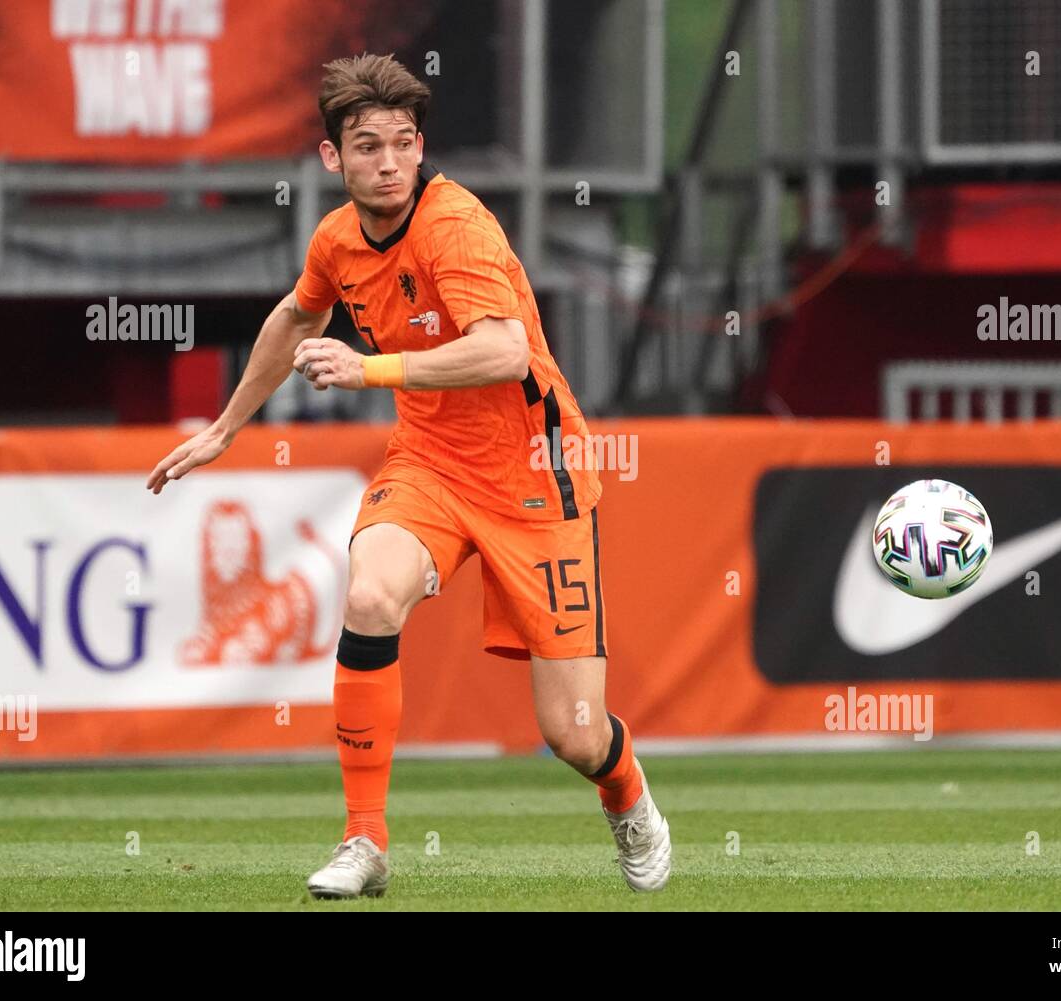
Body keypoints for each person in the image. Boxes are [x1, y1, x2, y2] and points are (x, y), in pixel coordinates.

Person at [146, 52, 671, 897]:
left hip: (539, 479)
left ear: (420, 147)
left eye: (400, 144)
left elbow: (503, 350)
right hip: (429, 463)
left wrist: (371, 370)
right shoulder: (338, 240)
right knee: (366, 596)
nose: (386, 163)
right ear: (333, 159)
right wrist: (224, 427)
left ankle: (629, 797)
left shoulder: (455, 226)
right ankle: (365, 839)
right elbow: (295, 314)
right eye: (365, 147)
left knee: (573, 734)